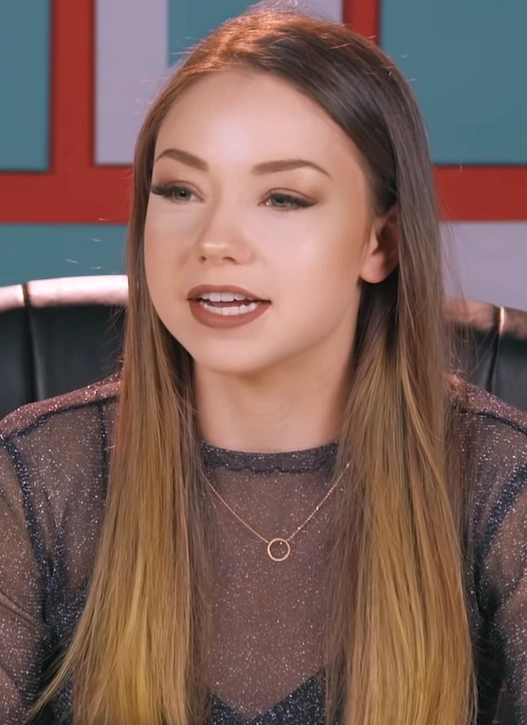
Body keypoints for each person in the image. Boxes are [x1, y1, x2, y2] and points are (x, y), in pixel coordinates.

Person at [1, 6, 526, 725]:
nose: (215, 241)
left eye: (283, 198)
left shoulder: (500, 476)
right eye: (180, 190)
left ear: (382, 243)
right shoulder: (30, 475)